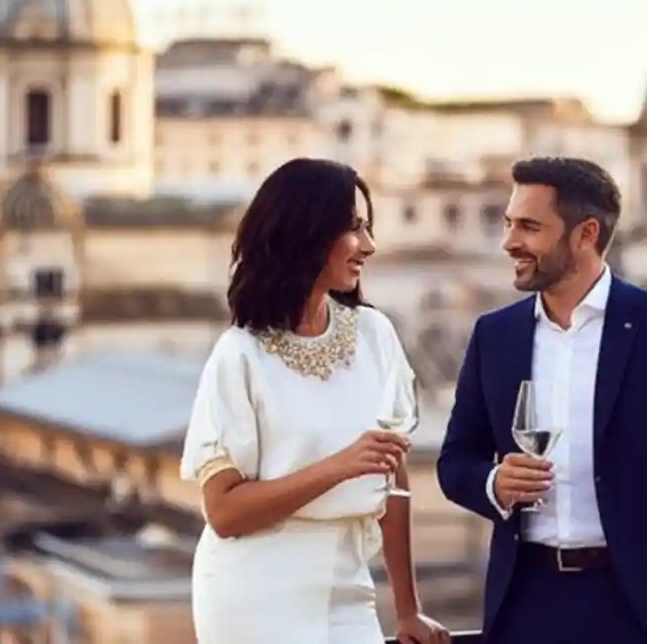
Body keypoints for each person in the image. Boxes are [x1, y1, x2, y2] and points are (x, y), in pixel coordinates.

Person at [436, 157, 647, 644]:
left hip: (638, 608)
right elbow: (454, 463)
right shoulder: (495, 335)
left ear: (586, 234)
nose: (509, 241)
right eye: (509, 223)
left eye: (529, 226)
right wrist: (495, 481)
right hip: (526, 604)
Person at [180, 158, 451, 644]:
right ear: (307, 232)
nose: (368, 246)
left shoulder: (375, 335)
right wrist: (340, 466)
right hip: (254, 592)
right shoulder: (239, 355)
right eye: (354, 229)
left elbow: (395, 482)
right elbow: (223, 512)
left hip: (350, 589)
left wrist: (408, 611)